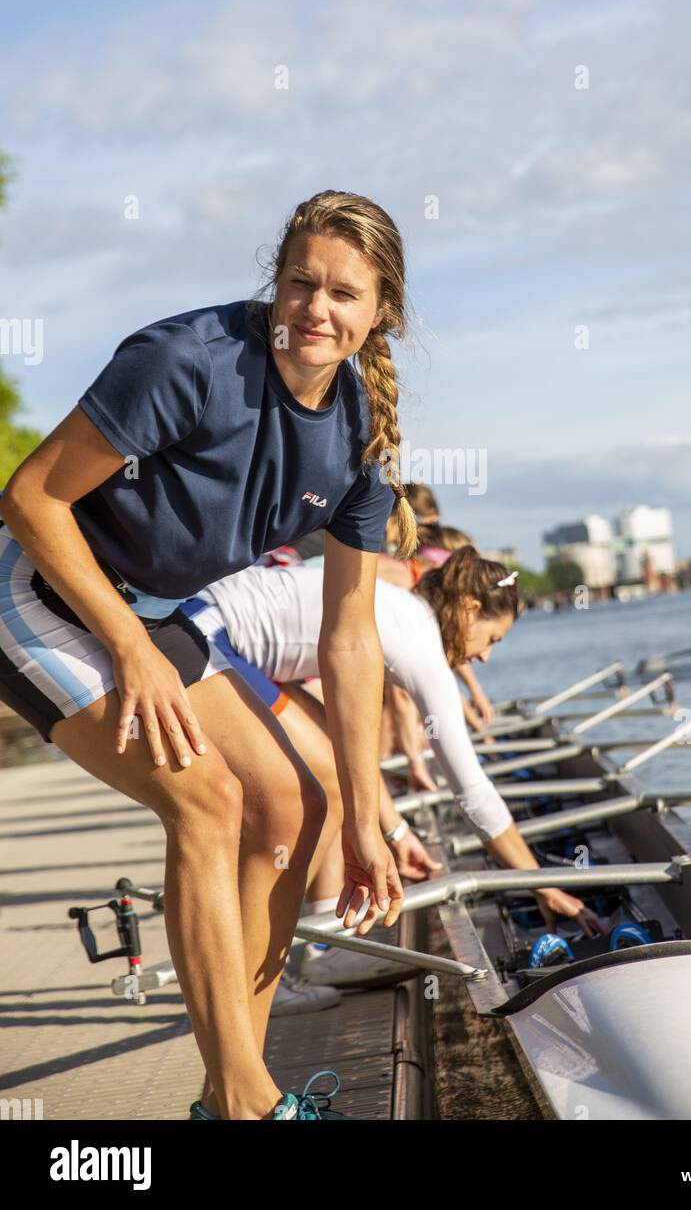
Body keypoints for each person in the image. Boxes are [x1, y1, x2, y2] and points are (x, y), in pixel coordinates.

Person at [0, 189, 418, 1121]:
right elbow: (29, 497)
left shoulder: (360, 438)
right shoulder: (186, 362)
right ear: (274, 283)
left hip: (159, 610)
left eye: (344, 294)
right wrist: (127, 648)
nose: (317, 308)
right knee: (208, 798)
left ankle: (230, 1094)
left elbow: (350, 639)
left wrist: (363, 813)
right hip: (37, 591)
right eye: (300, 282)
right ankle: (248, 1105)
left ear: (379, 311)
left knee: (293, 802)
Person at [180, 547, 607, 990]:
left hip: (207, 626)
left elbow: (348, 751)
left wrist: (397, 832)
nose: (485, 659)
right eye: (492, 639)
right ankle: (259, 974)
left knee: (332, 765)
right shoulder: (419, 640)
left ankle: (321, 946)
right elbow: (472, 791)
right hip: (206, 638)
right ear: (470, 609)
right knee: (313, 790)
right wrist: (543, 885)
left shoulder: (400, 608)